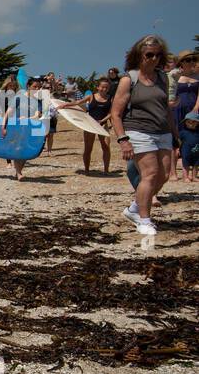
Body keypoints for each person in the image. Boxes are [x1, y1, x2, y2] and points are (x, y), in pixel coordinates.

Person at [112, 35, 178, 236]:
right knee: (149, 174)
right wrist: (123, 140)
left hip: (162, 131)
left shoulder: (162, 78)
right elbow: (116, 114)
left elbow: (165, 109)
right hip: (138, 130)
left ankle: (134, 209)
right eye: (150, 54)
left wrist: (175, 134)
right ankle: (144, 219)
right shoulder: (128, 79)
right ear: (139, 55)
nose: (154, 59)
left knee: (164, 175)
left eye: (159, 55)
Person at [57, 77, 114, 174]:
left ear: (108, 88)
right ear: (98, 87)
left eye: (106, 87)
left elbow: (111, 113)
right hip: (90, 125)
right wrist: (65, 105)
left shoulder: (111, 99)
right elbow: (78, 102)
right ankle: (87, 170)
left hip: (103, 125)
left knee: (106, 147)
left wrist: (102, 121)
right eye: (102, 87)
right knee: (88, 148)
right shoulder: (91, 96)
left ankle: (106, 170)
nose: (104, 89)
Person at [171, 51, 199, 182]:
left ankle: (190, 173)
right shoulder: (175, 76)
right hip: (177, 110)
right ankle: (173, 172)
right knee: (175, 141)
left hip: (193, 110)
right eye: (188, 60)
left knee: (193, 140)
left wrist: (196, 109)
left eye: (193, 59)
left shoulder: (198, 76)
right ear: (181, 62)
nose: (191, 62)